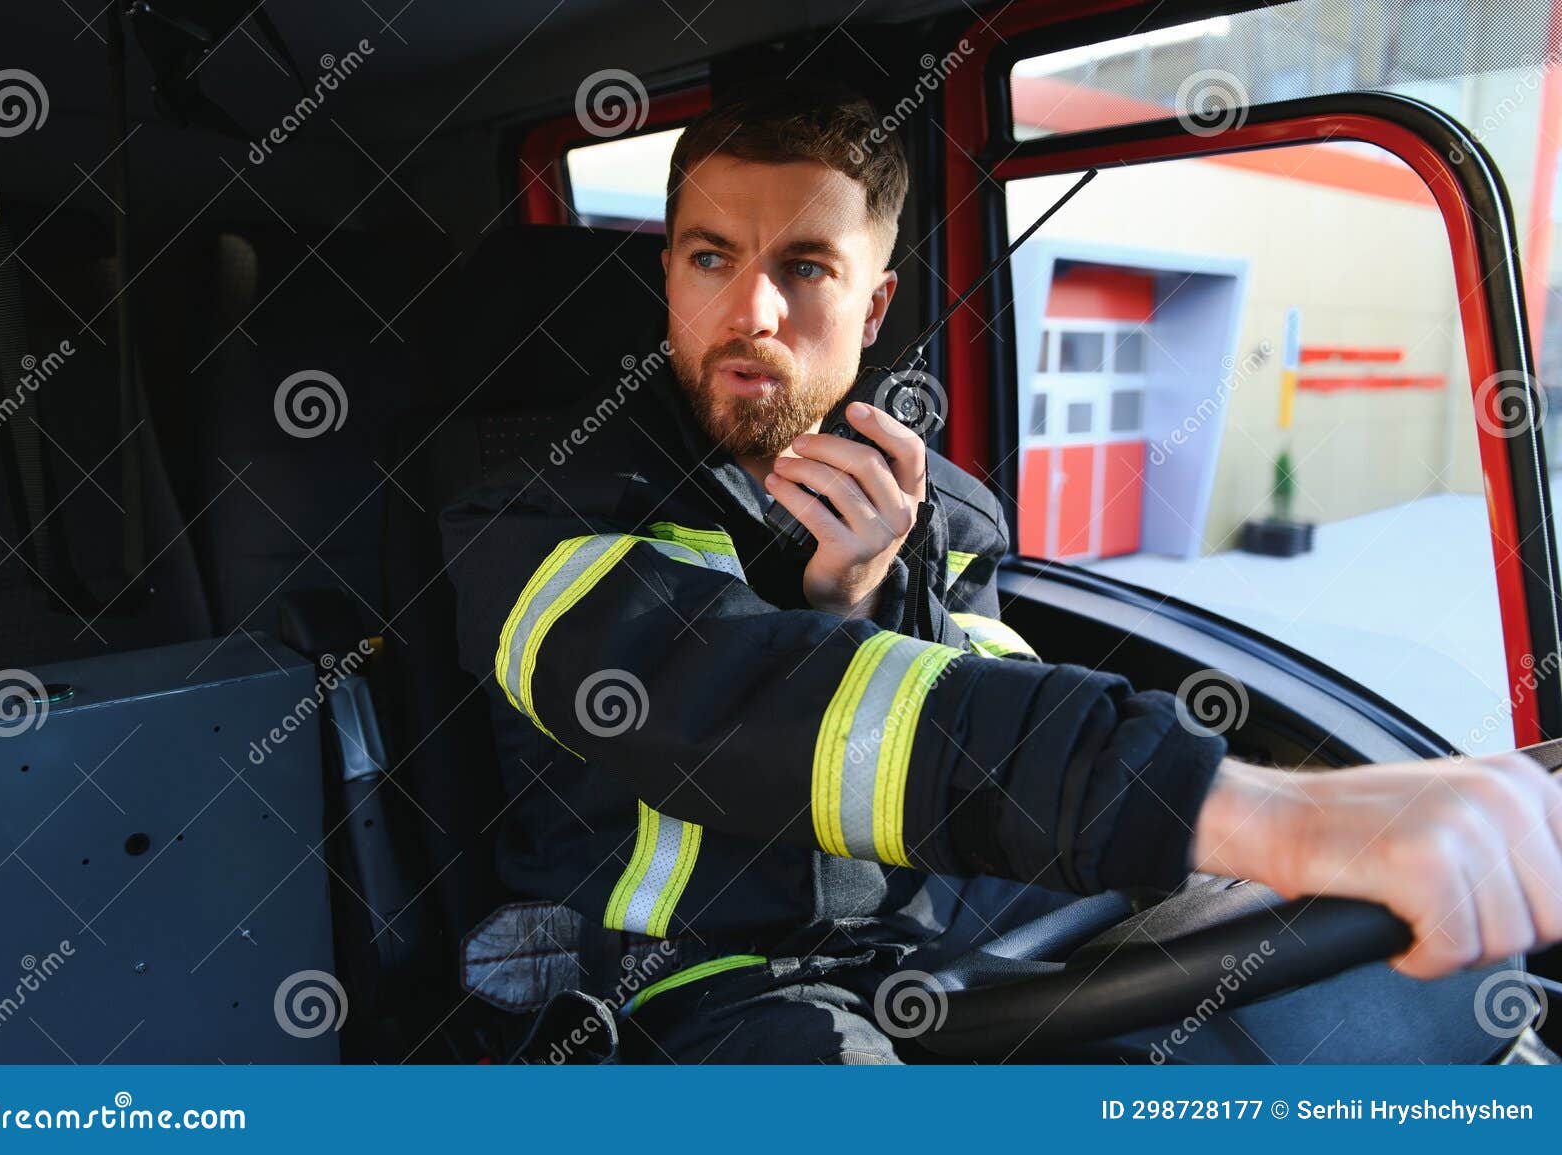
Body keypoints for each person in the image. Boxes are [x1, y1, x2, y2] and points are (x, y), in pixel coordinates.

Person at [441, 81, 1562, 1063]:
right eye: (711, 259)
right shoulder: (539, 495)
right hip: (683, 994)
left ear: (874, 305)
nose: (755, 312)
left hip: (948, 945)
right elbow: (719, 707)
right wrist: (1254, 808)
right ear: (670, 278)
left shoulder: (950, 511)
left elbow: (981, 710)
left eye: (807, 266)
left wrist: (865, 596)